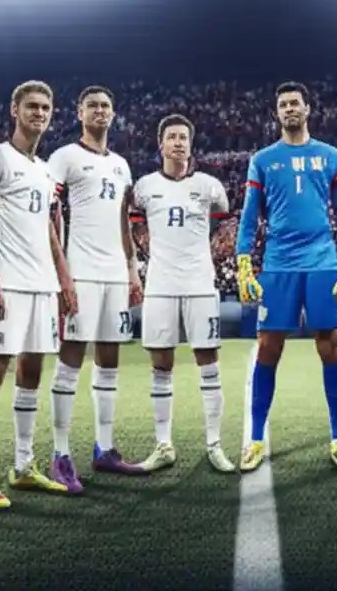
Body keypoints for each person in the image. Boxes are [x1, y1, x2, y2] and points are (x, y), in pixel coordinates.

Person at [235, 81, 337, 472]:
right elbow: (249, 212)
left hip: (322, 261)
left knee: (330, 346)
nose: (290, 109)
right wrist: (244, 260)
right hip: (278, 264)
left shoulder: (329, 156)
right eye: (283, 104)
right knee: (269, 345)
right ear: (277, 113)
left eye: (296, 103)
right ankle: (256, 439)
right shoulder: (263, 159)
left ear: (308, 109)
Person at [0, 80, 73, 509]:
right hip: (8, 282)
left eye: (46, 107)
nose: (39, 113)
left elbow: (50, 230)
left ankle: (23, 465)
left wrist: (65, 280)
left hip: (42, 285)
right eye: (31, 106)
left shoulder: (46, 169)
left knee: (32, 370)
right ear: (14, 109)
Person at [45, 86, 146, 493]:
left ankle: (104, 448)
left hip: (115, 274)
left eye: (106, 105)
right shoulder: (64, 158)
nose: (100, 111)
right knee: (70, 360)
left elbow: (125, 223)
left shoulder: (122, 165)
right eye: (93, 105)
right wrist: (62, 273)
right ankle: (60, 453)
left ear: (113, 113)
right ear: (79, 112)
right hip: (81, 271)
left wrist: (133, 269)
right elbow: (50, 214)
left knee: (109, 360)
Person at [129, 114, 236, 473]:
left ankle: (214, 443)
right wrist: (141, 254)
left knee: (208, 363)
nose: (178, 142)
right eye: (171, 137)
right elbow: (130, 223)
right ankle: (163, 444)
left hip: (200, 284)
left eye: (183, 137)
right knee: (161, 365)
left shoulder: (210, 186)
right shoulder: (144, 187)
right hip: (159, 286)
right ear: (161, 145)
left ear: (191, 145)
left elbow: (225, 215)